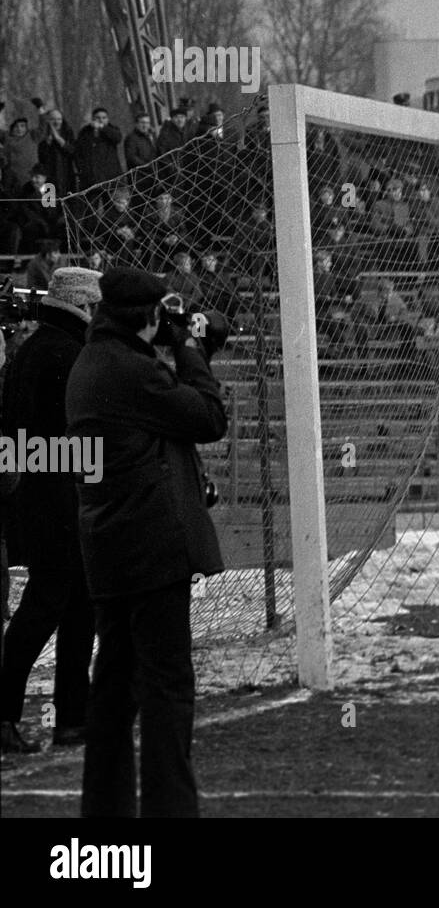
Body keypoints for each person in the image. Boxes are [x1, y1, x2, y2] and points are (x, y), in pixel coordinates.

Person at [65, 266, 227, 817]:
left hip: (108, 546)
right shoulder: (135, 372)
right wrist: (190, 348)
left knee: (114, 688)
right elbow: (209, 417)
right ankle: (169, 808)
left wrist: (186, 348)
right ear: (153, 315)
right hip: (152, 548)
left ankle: (105, 811)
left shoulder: (91, 363)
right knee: (166, 688)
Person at [0, 267, 102, 755]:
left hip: (38, 495)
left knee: (74, 605)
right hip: (61, 499)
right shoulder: (68, 355)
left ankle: (70, 719)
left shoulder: (31, 351)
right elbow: (76, 437)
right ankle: (16, 714)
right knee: (47, 606)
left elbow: (16, 441)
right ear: (82, 305)